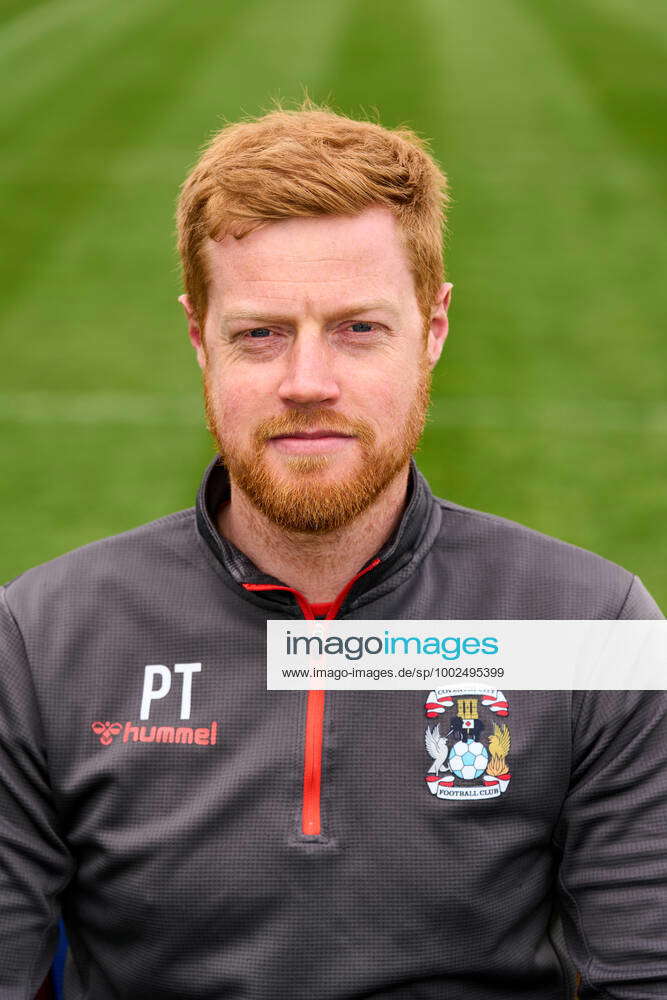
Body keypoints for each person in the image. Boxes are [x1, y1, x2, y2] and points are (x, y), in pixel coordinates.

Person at [1, 102, 665, 1000]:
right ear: (199, 337)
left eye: (358, 328)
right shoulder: (41, 640)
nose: (307, 383)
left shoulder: (594, 631)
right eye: (260, 333)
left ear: (432, 329)